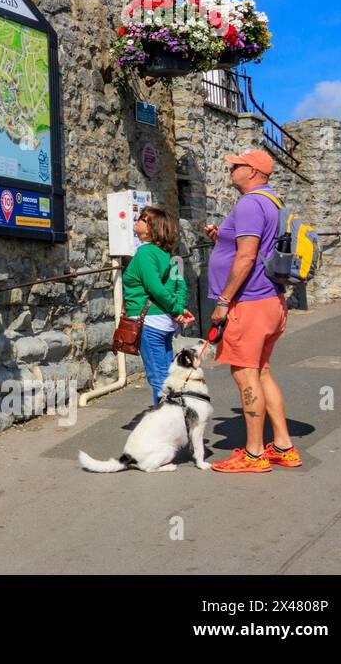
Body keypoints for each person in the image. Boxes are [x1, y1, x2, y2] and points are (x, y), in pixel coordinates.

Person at [203, 149, 299, 473]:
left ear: (254, 171)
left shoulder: (248, 204)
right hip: (271, 302)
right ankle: (284, 446)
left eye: (237, 165)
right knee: (261, 371)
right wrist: (223, 237)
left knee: (245, 373)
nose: (231, 167)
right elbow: (254, 248)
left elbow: (245, 259)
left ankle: (254, 453)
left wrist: (223, 301)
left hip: (249, 304)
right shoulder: (272, 202)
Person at [121, 206, 193, 403]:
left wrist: (177, 310)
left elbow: (155, 288)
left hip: (149, 323)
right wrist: (177, 309)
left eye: (142, 219)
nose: (137, 220)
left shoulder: (145, 253)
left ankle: (167, 423)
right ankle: (176, 418)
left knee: (159, 379)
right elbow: (180, 288)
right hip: (165, 323)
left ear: (152, 228)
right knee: (167, 375)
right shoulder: (171, 256)